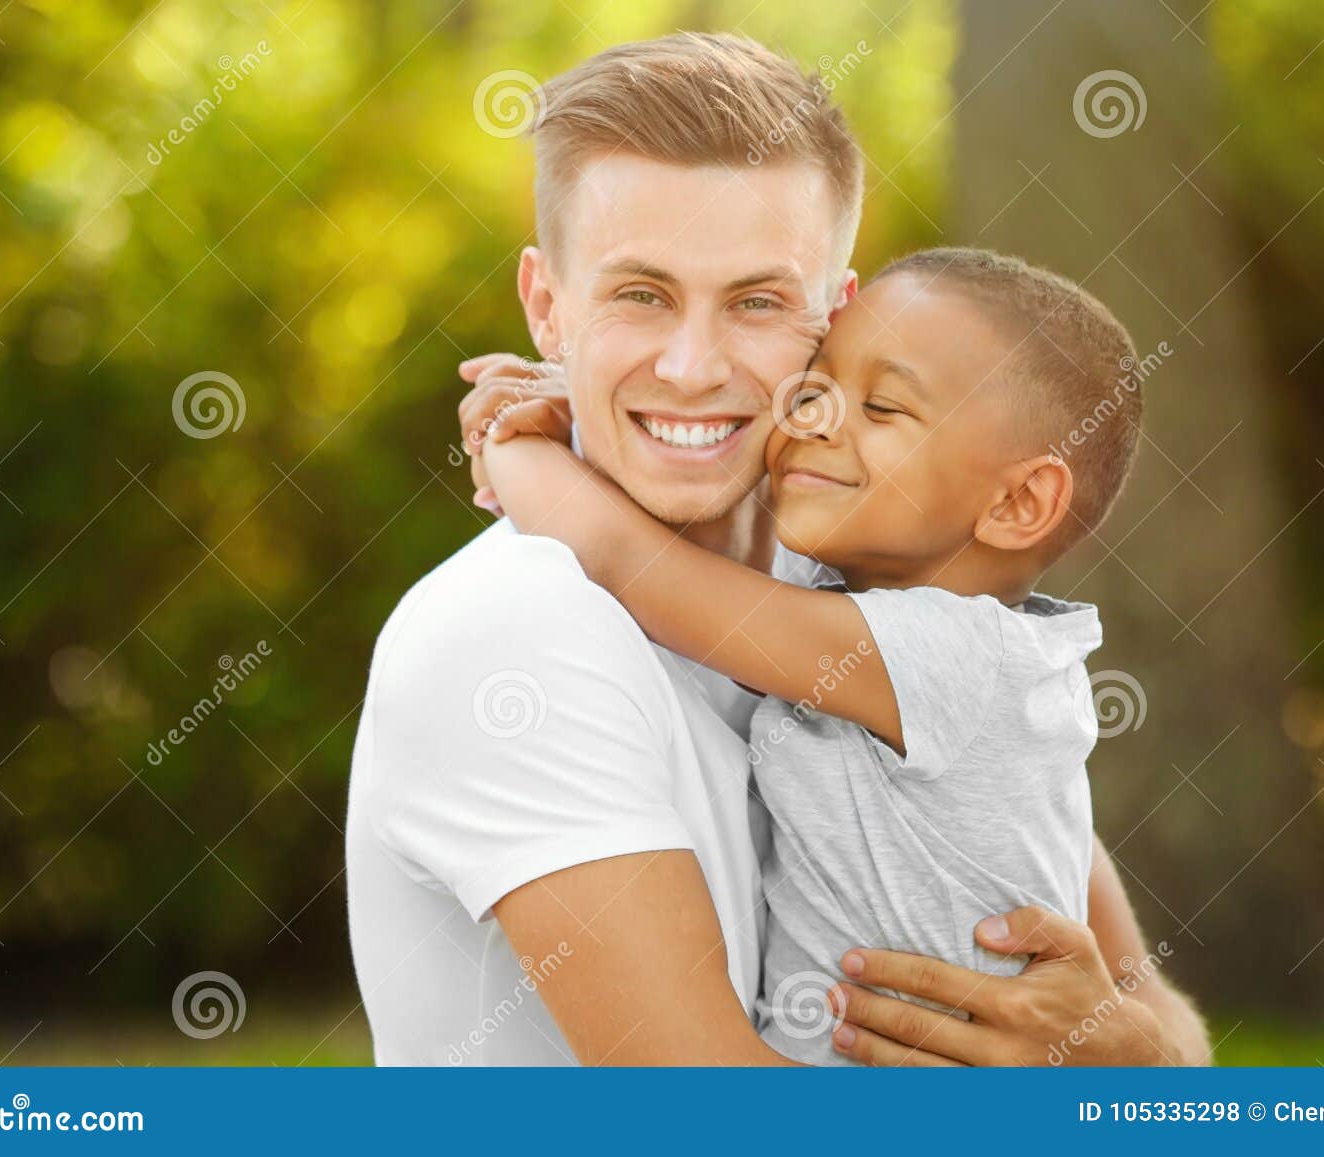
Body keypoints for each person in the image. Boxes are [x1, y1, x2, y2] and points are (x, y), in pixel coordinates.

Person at [346, 31, 1209, 1066]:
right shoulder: (517, 632)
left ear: (831, 320)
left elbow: (1146, 1009)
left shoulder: (863, 602)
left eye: (756, 301)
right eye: (638, 294)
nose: (691, 365)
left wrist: (1128, 1060)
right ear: (546, 307)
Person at [477, 247, 1134, 1064]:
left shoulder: (949, 653)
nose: (809, 418)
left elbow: (627, 561)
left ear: (1016, 501)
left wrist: (512, 451)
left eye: (884, 408)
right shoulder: (874, 598)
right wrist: (599, 414)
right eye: (817, 385)